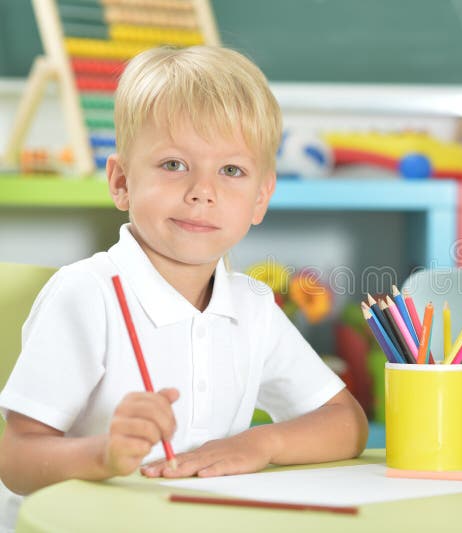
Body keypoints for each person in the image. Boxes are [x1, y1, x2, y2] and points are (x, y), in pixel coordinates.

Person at [0, 46, 368, 530]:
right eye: (174, 164)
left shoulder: (252, 305)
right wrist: (103, 455)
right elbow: (16, 457)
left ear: (260, 199)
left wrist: (258, 443)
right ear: (122, 181)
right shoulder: (86, 294)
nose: (202, 191)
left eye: (231, 171)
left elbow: (347, 424)